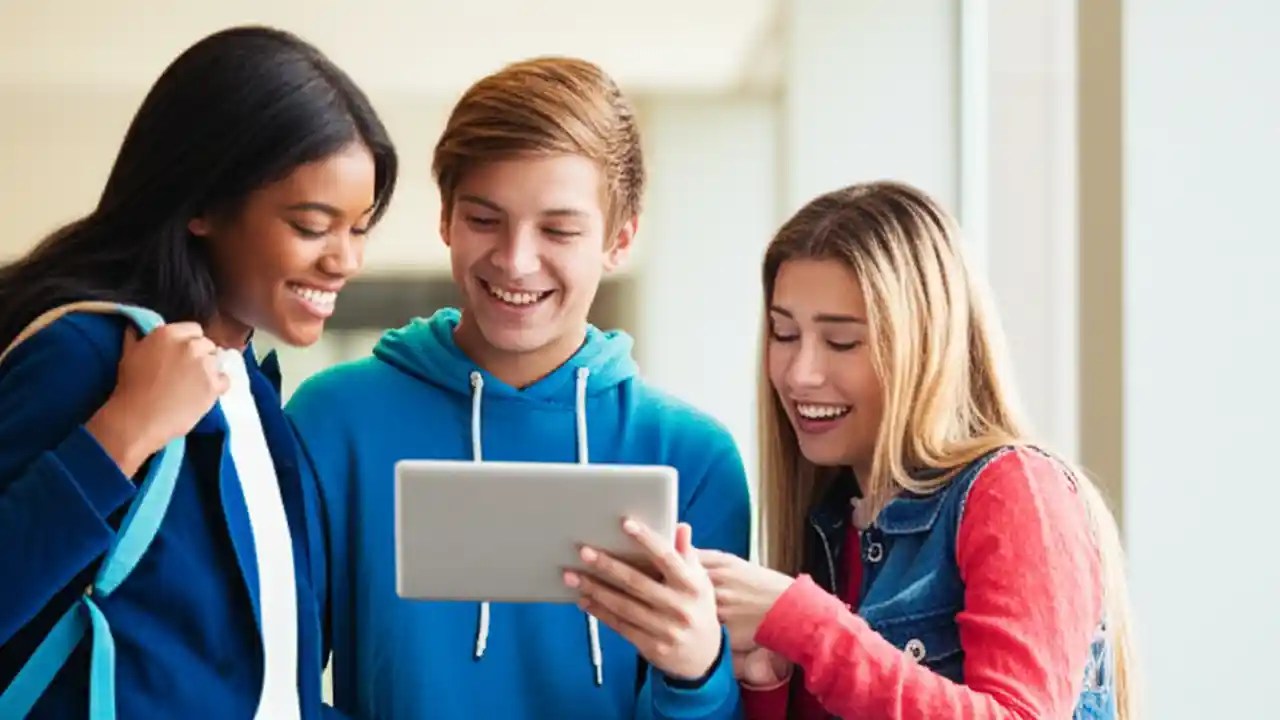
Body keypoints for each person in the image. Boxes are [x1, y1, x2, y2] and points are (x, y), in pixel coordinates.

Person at [285, 56, 751, 719]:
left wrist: (699, 669)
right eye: (484, 219)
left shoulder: (693, 457)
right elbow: (279, 680)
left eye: (558, 230)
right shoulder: (334, 421)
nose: (515, 259)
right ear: (444, 217)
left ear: (619, 240)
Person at [0, 26, 397, 719]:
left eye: (359, 227)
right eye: (312, 225)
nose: (345, 261)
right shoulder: (88, 354)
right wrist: (118, 435)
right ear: (204, 205)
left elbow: (265, 685)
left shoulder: (257, 395)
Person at [698, 181, 1137, 719]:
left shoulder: (1016, 489)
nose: (799, 374)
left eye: (842, 342)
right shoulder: (830, 522)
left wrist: (809, 626)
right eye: (784, 334)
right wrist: (765, 683)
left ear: (925, 347)